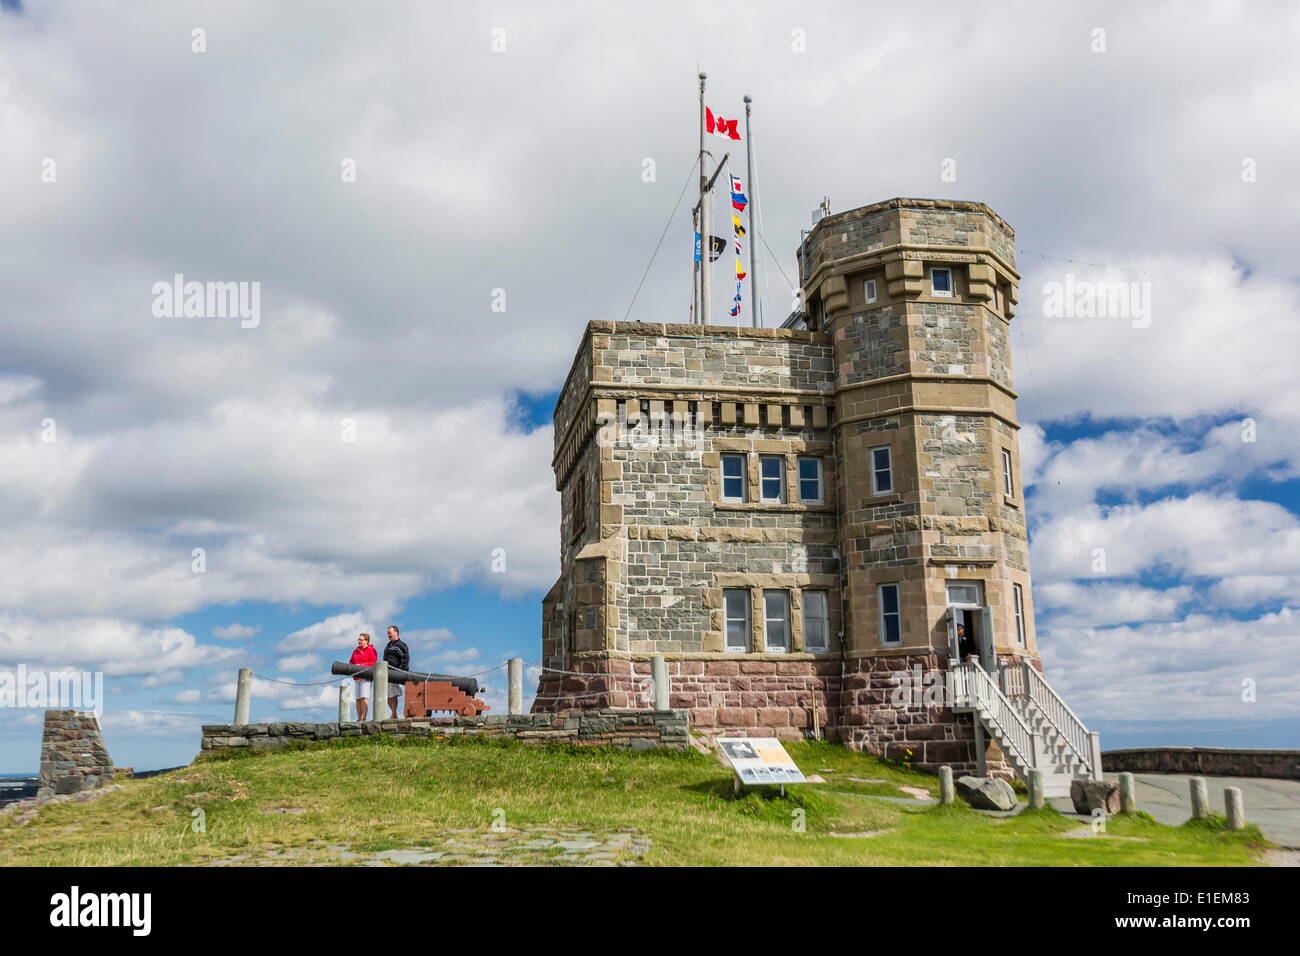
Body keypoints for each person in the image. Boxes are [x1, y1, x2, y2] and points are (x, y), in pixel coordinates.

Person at [349, 633, 377, 720]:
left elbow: (374, 662)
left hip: (366, 676)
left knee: (364, 697)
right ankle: (359, 718)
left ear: (366, 641)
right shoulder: (355, 651)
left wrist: (361, 665)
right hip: (357, 677)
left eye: (361, 640)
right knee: (358, 698)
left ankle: (364, 718)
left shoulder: (371, 650)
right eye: (359, 639)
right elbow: (351, 661)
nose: (359, 641)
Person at [383, 625, 409, 718]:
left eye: (390, 633)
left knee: (393, 695)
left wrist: (401, 672)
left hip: (395, 673)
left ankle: (393, 714)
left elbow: (405, 659)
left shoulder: (401, 645)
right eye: (387, 633)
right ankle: (394, 714)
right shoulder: (388, 645)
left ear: (396, 633)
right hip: (387, 673)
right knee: (387, 695)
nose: (388, 635)